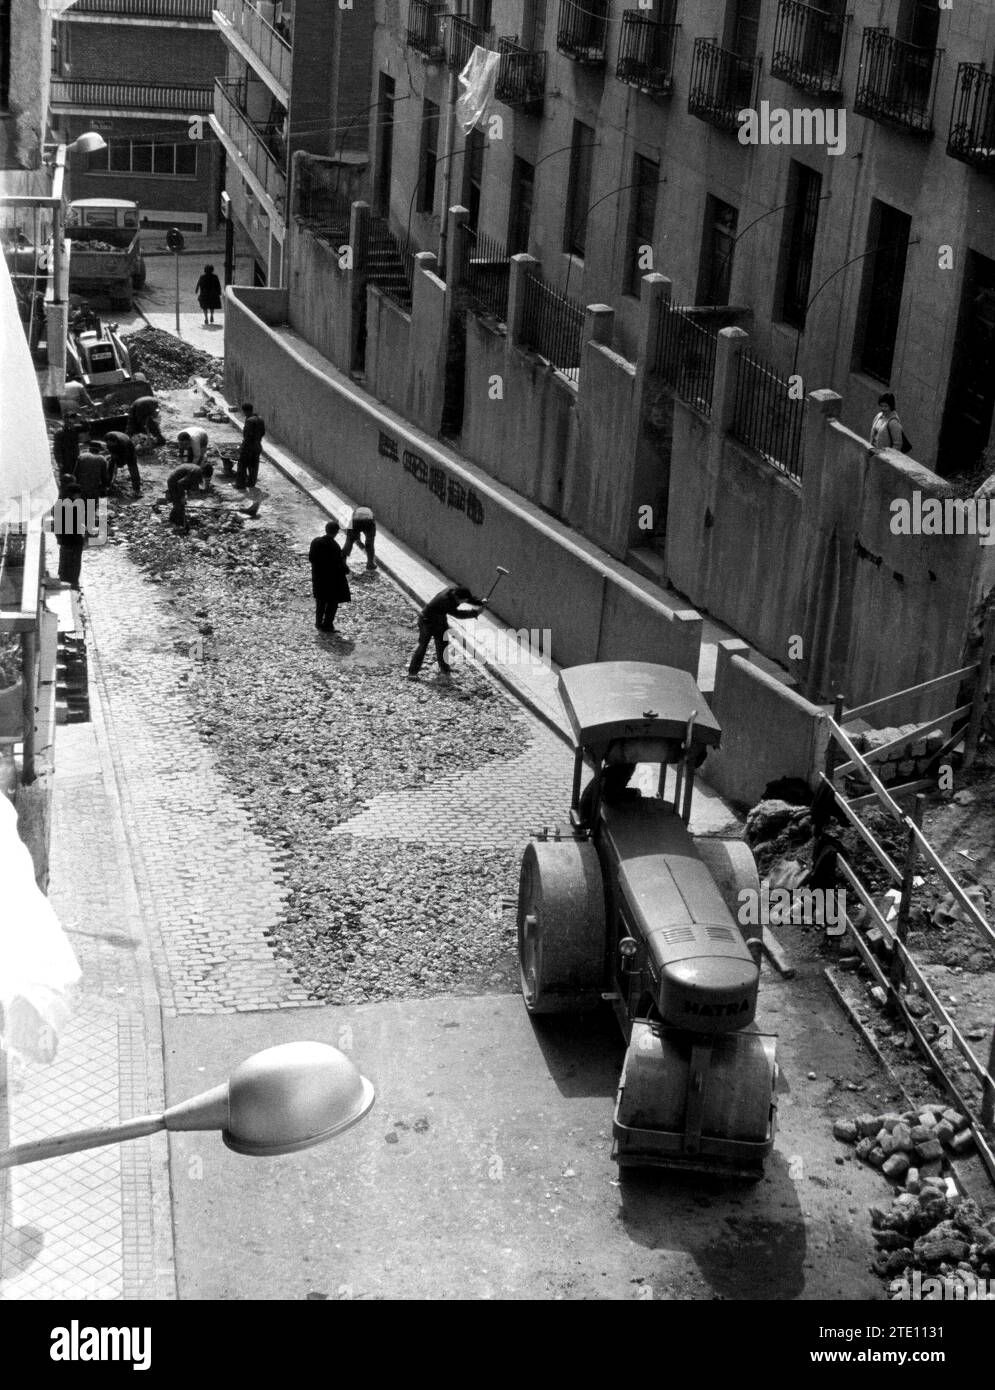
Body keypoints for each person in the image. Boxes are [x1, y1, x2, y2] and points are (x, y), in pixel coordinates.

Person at [407, 585, 485, 680]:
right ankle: (412, 672)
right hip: (426, 621)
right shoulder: (446, 601)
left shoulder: (455, 591)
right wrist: (475, 613)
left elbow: (467, 599)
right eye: (462, 601)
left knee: (443, 644)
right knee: (423, 646)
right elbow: (458, 614)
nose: (463, 603)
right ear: (457, 598)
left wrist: (479, 602)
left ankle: (445, 669)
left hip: (440, 620)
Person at [308, 521, 351, 632]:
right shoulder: (335, 546)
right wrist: (346, 569)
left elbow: (311, 558)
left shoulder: (315, 542)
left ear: (326, 529)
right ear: (336, 532)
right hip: (332, 580)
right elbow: (339, 564)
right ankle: (327, 624)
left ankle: (318, 623)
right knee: (332, 602)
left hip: (318, 577)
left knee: (320, 601)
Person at [55, 483, 87, 590]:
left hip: (64, 540)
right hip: (74, 540)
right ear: (75, 495)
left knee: (64, 562)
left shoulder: (59, 503)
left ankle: (65, 581)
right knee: (74, 563)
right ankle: (73, 583)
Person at [165, 461, 213, 529]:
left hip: (177, 480)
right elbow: (180, 483)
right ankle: (175, 520)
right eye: (205, 477)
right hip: (173, 482)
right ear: (204, 473)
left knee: (180, 503)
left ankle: (176, 518)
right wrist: (183, 496)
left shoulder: (198, 470)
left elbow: (189, 482)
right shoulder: (196, 472)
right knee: (178, 502)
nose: (204, 478)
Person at [235, 403, 266, 490]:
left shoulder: (249, 421)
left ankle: (240, 485)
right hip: (257, 447)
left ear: (245, 411)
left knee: (242, 466)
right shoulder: (260, 419)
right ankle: (251, 484)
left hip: (248, 448)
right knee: (254, 466)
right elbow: (263, 433)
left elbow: (247, 436)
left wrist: (242, 447)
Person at [104, 430, 142, 495]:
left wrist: (119, 463)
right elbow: (110, 449)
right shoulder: (107, 438)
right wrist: (114, 457)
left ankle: (136, 489)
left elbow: (124, 459)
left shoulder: (124, 444)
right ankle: (108, 484)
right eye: (108, 443)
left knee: (132, 467)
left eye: (111, 444)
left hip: (129, 448)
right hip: (117, 444)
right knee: (111, 464)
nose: (109, 444)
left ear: (115, 442)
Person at [341, 505, 378, 570]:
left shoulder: (356, 512)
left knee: (349, 541)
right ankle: (370, 564)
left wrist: (357, 540)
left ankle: (342, 562)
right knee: (370, 543)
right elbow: (373, 522)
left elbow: (353, 533)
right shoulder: (370, 512)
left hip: (356, 520)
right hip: (369, 521)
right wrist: (365, 543)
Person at [52, 415, 82, 479]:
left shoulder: (75, 430)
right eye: (70, 422)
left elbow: (86, 428)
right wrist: (59, 461)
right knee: (65, 476)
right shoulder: (60, 432)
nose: (72, 424)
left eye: (73, 422)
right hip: (65, 458)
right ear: (65, 422)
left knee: (75, 475)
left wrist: (82, 419)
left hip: (75, 457)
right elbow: (57, 449)